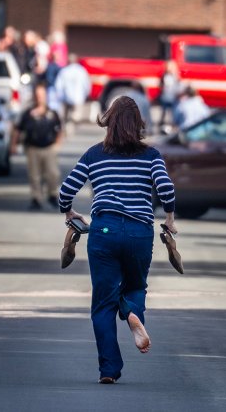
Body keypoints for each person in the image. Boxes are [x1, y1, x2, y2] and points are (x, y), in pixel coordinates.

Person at [57, 96, 177, 384]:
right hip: (138, 231)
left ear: (108, 122)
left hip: (104, 231)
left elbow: (65, 190)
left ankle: (108, 369)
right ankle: (133, 312)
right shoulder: (151, 155)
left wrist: (69, 212)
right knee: (136, 285)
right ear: (138, 125)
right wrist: (170, 219)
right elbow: (166, 188)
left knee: (102, 304)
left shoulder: (94, 154)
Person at [11, 83, 64, 209]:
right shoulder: (28, 113)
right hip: (33, 148)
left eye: (41, 95)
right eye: (37, 95)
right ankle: (36, 198)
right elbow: (17, 129)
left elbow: (60, 130)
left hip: (49, 147)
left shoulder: (52, 112)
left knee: (53, 173)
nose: (39, 98)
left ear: (45, 96)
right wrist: (13, 144)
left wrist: (57, 144)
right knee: (34, 175)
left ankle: (52, 195)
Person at [55, 53, 92, 131]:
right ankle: (72, 127)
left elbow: (59, 85)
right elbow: (86, 83)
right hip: (78, 97)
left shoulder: (64, 71)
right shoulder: (81, 70)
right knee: (76, 115)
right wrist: (87, 93)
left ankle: (68, 127)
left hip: (66, 97)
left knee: (66, 116)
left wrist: (59, 95)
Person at [157, 60, 181, 131]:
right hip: (165, 96)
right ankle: (162, 123)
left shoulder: (176, 76)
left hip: (173, 96)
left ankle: (173, 124)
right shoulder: (164, 75)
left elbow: (178, 85)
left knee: (173, 111)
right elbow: (160, 84)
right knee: (164, 111)